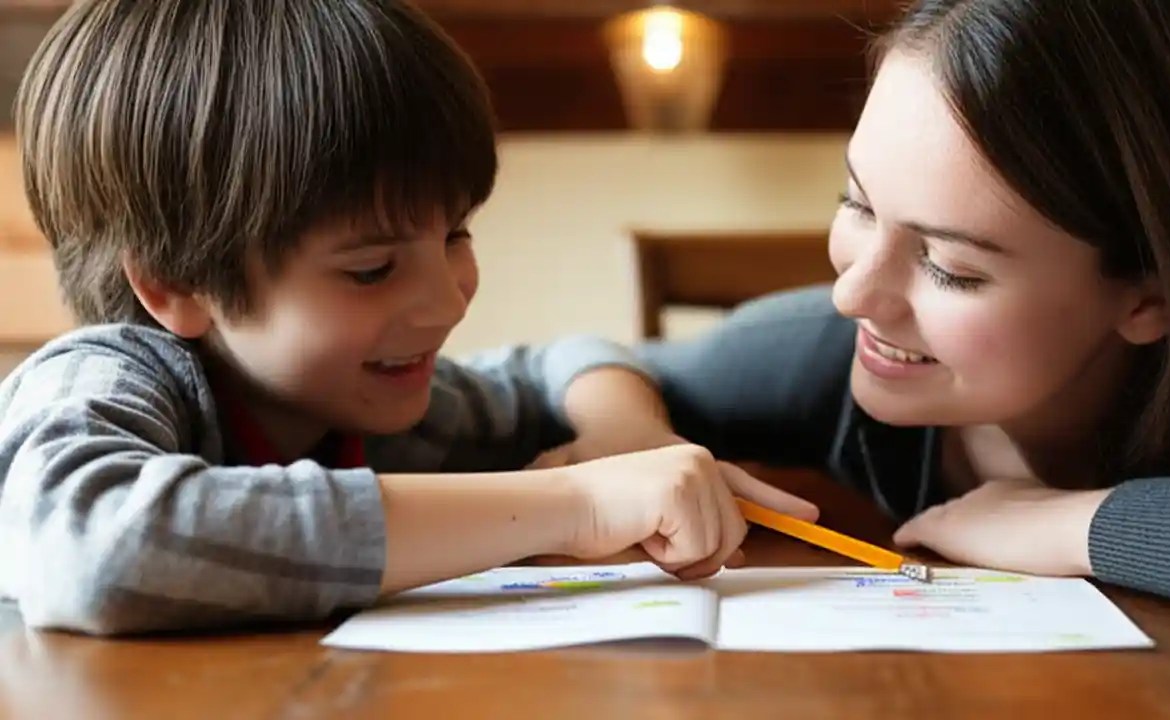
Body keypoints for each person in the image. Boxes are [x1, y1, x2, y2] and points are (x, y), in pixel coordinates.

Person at [0, 0, 816, 636]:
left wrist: (625, 439)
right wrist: (580, 505)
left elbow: (558, 361)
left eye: (455, 233)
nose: (450, 296)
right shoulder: (103, 375)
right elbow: (95, 550)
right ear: (175, 286)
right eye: (372, 269)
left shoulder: (368, 407)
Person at [563, 0, 1170, 625]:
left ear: (1152, 297)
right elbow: (556, 368)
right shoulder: (822, 352)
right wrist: (624, 431)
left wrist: (1070, 526)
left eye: (951, 268)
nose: (852, 297)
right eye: (857, 204)